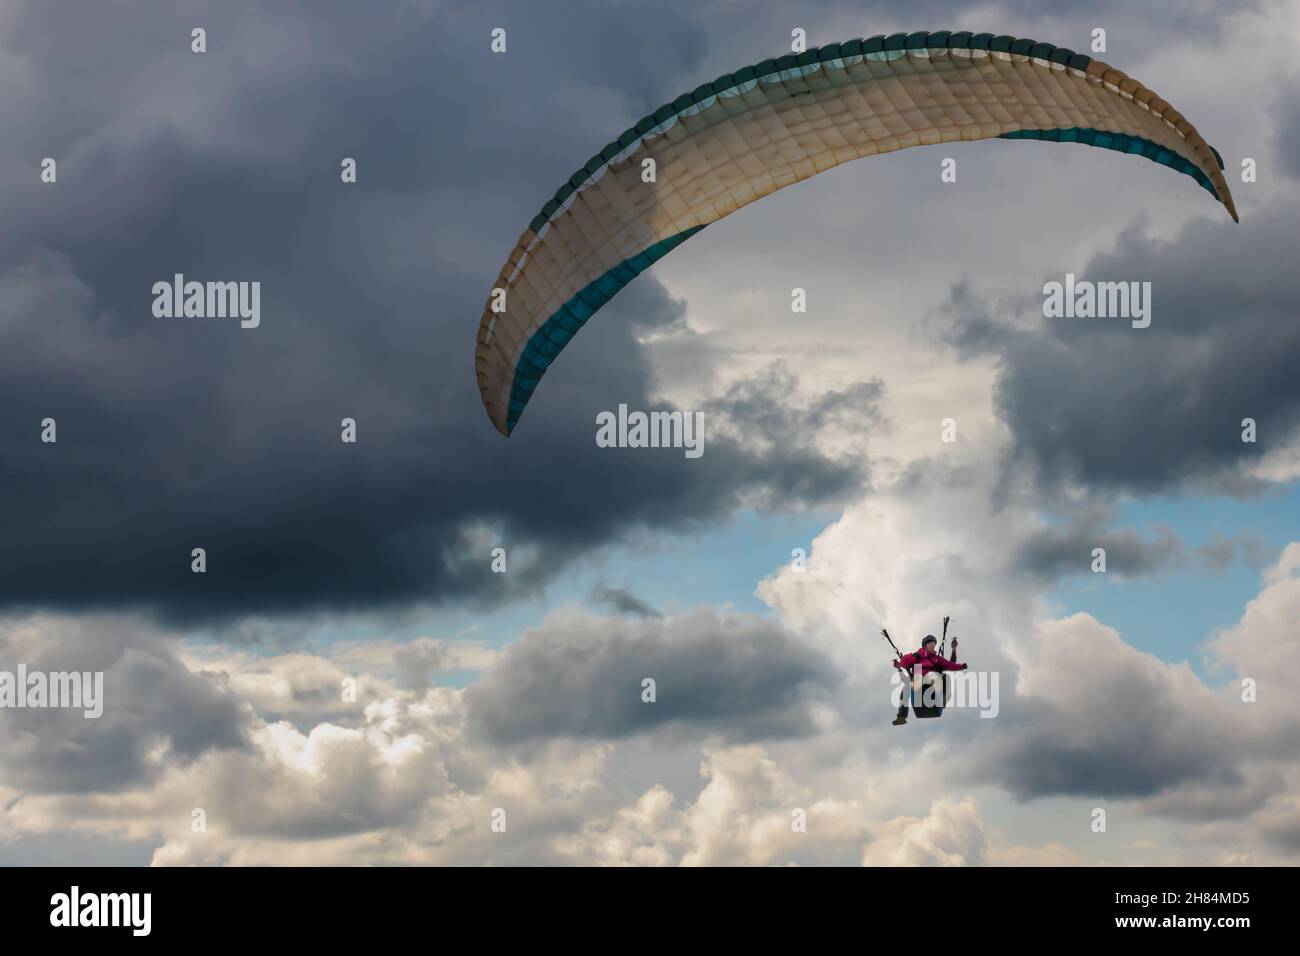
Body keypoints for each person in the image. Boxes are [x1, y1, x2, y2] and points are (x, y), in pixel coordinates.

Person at [892, 634, 967, 725]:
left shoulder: (937, 659)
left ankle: (943, 699)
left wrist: (960, 665)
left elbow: (950, 665)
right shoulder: (917, 656)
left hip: (930, 677)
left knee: (941, 677)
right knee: (906, 687)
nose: (933, 645)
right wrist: (917, 655)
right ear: (925, 645)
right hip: (918, 677)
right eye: (930, 643)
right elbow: (903, 662)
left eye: (934, 643)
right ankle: (901, 716)